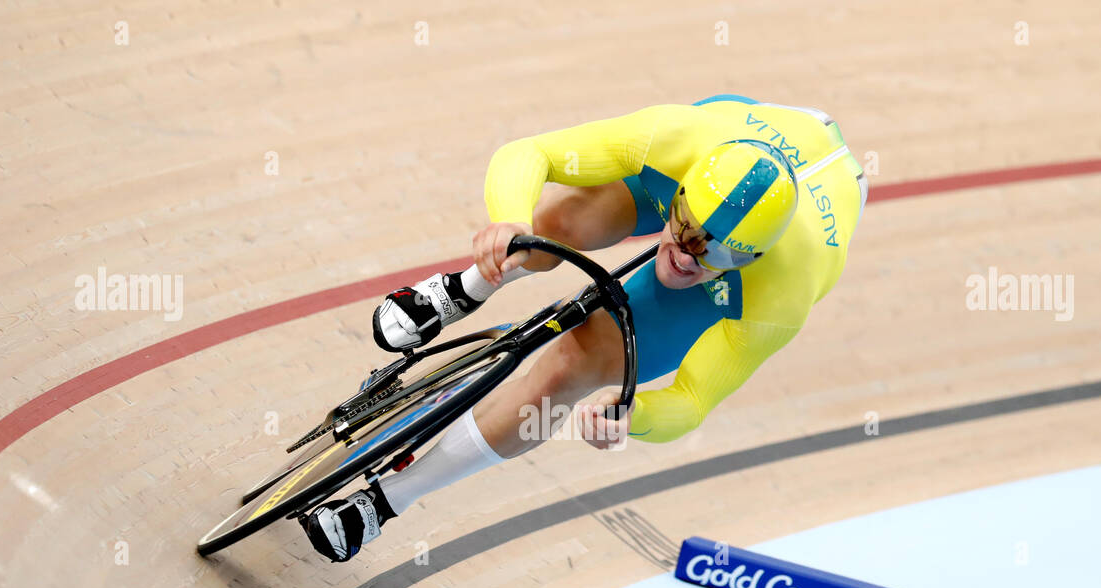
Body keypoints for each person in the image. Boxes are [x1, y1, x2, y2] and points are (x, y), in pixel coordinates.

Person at [302, 95, 868, 562]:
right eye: (687, 227)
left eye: (716, 249)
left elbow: (694, 399)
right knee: (554, 226)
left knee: (566, 376)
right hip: (704, 151)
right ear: (684, 192)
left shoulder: (781, 293)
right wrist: (510, 222)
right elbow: (532, 155)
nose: (688, 253)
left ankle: (388, 501)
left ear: (753, 256)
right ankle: (465, 288)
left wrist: (630, 414)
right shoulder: (674, 138)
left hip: (767, 249)